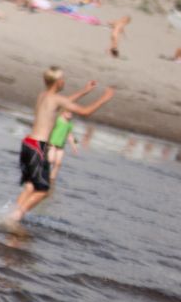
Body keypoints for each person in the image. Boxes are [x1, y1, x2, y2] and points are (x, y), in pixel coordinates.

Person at [9, 68, 113, 224]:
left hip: (28, 143)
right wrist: (104, 99)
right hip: (38, 147)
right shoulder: (56, 99)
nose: (64, 81)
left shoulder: (43, 96)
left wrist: (84, 91)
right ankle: (15, 217)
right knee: (43, 190)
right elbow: (85, 112)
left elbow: (64, 101)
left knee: (30, 187)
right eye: (63, 79)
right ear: (57, 82)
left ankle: (10, 213)